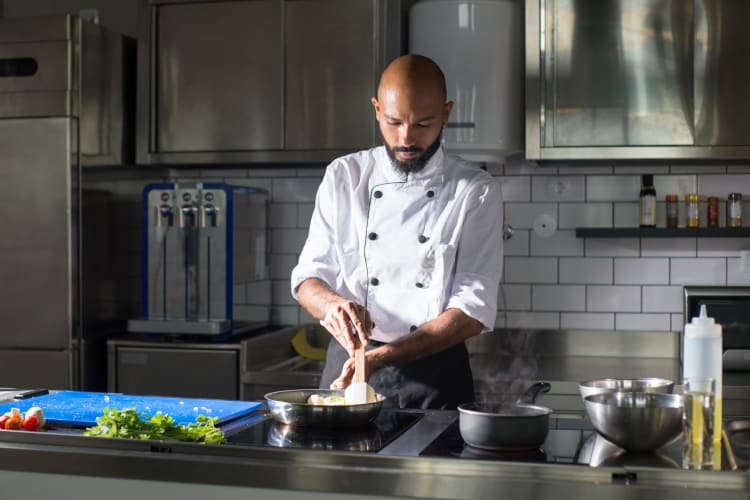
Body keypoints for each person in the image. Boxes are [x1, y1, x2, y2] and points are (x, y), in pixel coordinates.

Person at [290, 54, 503, 409]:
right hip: (349, 364)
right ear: (376, 110)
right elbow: (308, 277)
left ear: (446, 114)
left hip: (435, 377)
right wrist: (332, 304)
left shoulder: (474, 190)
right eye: (393, 122)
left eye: (423, 124)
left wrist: (381, 357)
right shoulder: (344, 176)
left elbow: (472, 310)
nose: (406, 138)